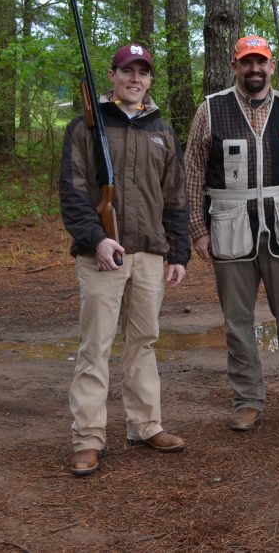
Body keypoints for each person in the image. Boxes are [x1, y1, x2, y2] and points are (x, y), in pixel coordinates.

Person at [184, 35, 279, 430]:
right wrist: (198, 230)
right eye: (246, 62)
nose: (254, 69)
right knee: (237, 321)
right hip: (229, 228)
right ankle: (247, 399)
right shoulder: (211, 110)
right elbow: (192, 175)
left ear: (271, 65)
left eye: (261, 62)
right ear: (234, 66)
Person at [60, 43, 190, 476]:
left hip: (150, 254)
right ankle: (88, 438)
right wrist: (95, 238)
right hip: (103, 255)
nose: (135, 79)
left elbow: (175, 197)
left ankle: (146, 424)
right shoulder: (85, 127)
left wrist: (178, 251)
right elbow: (73, 192)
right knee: (95, 347)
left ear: (150, 80)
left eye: (143, 72)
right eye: (127, 71)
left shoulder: (163, 130)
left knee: (144, 343)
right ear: (112, 76)